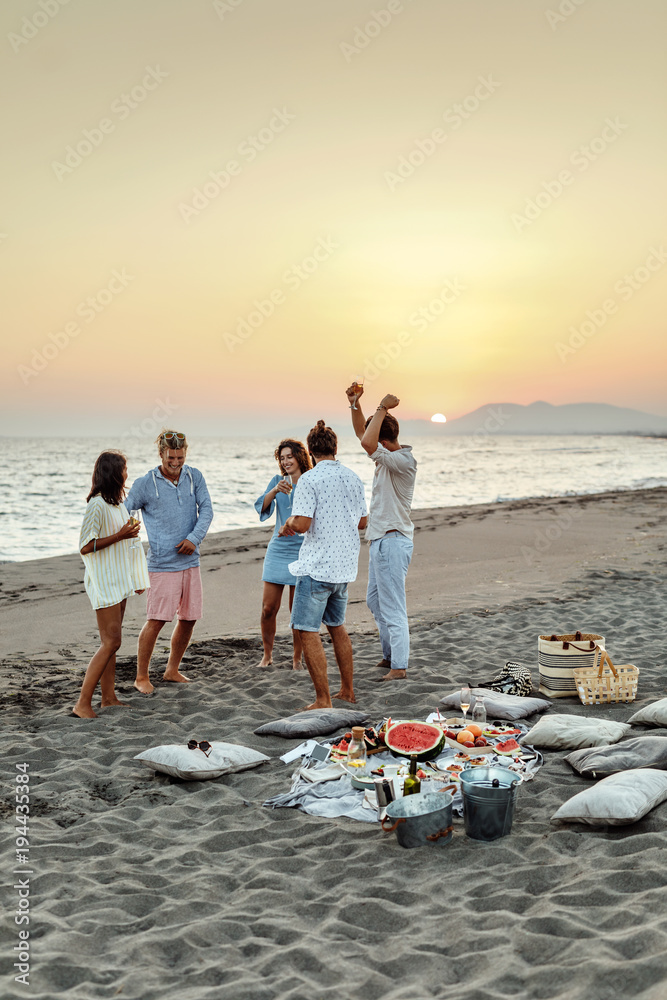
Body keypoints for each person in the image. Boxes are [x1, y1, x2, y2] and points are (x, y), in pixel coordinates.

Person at [279, 419, 367, 710]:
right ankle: (348, 691)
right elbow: (363, 521)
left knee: (307, 629)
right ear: (334, 448)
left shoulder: (310, 479)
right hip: (343, 566)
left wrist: (290, 521)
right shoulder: (353, 477)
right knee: (337, 627)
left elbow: (303, 524)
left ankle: (323, 699)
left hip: (317, 566)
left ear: (312, 452)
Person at [124, 430, 213, 693]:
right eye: (171, 458)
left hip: (190, 560)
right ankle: (141, 677)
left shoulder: (194, 476)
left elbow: (206, 509)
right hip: (162, 564)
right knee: (157, 619)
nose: (176, 463)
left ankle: (172, 670)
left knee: (189, 618)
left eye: (180, 457)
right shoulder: (145, 483)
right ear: (161, 453)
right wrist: (130, 532)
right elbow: (125, 509)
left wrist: (193, 538)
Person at [347, 385, 417, 681]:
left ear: (383, 439)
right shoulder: (384, 458)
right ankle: (390, 656)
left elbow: (366, 441)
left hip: (393, 541)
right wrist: (354, 405)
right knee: (376, 602)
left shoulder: (402, 461)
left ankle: (399, 666)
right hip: (380, 541)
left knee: (392, 605)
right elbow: (364, 436)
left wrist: (382, 407)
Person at [73, 451, 150, 718]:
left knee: (113, 643)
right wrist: (120, 534)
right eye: (124, 468)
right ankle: (83, 703)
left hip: (119, 581)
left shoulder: (117, 503)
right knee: (110, 642)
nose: (127, 473)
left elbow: (126, 545)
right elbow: (85, 546)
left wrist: (136, 578)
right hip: (104, 582)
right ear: (114, 472)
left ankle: (108, 698)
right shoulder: (96, 504)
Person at [254, 439, 312, 669]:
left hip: (303, 549)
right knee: (268, 609)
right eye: (282, 458)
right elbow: (261, 507)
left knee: (296, 611)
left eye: (289, 456)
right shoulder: (278, 481)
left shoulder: (310, 481)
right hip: (278, 548)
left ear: (300, 456)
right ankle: (267, 655)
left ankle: (297, 658)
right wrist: (274, 490)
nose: (286, 461)